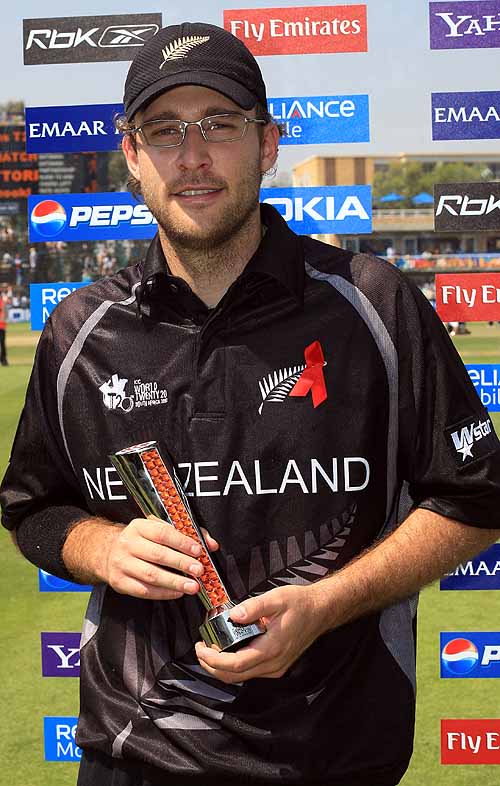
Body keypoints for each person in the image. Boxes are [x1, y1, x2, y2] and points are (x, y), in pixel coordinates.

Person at [2, 21, 500, 786]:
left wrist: (328, 603)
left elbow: (477, 500)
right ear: (132, 157)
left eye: (220, 125)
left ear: (268, 143)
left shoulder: (374, 308)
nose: (192, 155)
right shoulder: (79, 331)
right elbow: (33, 511)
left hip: (334, 761)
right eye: (164, 130)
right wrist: (98, 547)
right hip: (131, 759)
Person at [0, 284, 8, 366]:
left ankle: (3, 359)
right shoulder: (3, 299)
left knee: (2, 343)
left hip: (2, 325)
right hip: (2, 325)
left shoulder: (3, 299)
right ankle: (3, 360)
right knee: (2, 343)